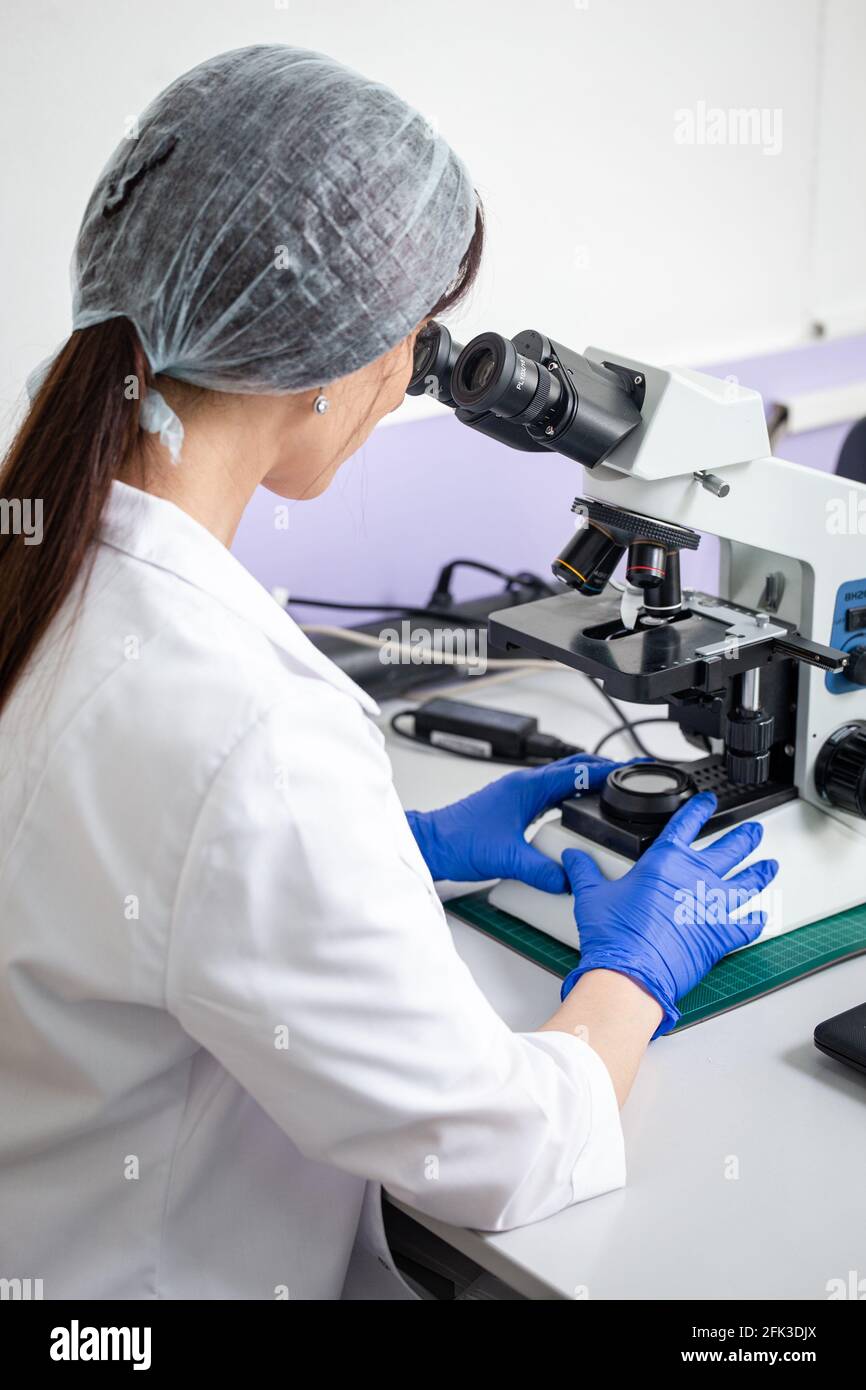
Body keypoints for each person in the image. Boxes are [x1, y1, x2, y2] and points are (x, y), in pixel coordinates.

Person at [0, 45, 777, 1300]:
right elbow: (498, 1152)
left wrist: (387, 848)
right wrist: (630, 977)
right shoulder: (249, 725)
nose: (404, 382)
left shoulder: (40, 554)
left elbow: (100, 873)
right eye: (411, 346)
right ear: (320, 362)